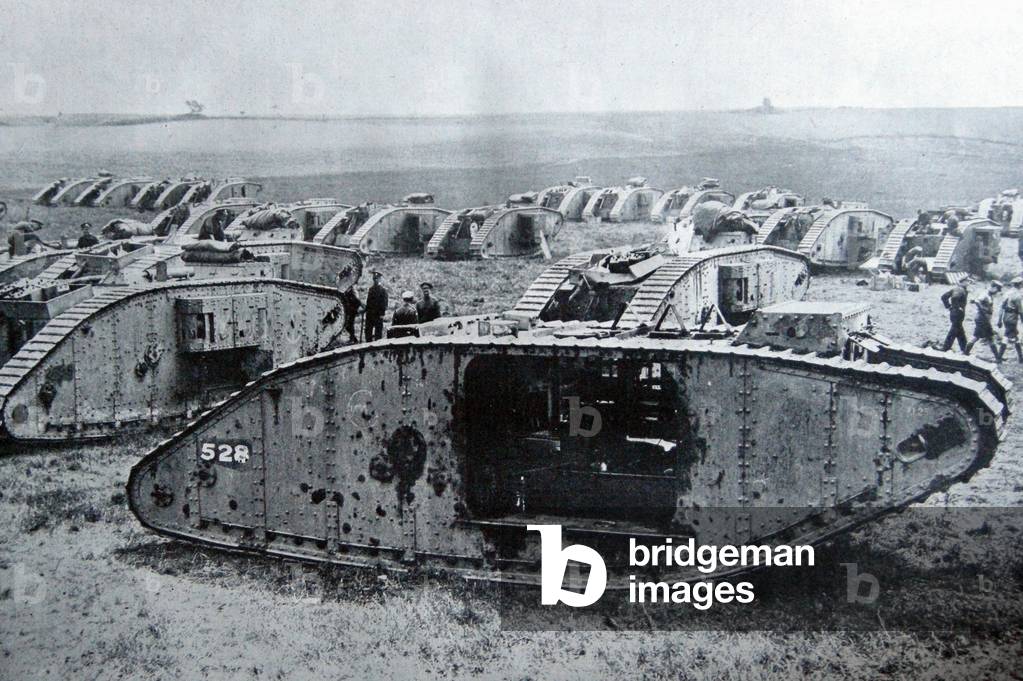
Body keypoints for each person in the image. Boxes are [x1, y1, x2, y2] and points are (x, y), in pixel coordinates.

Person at [966, 281, 1004, 362]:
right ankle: (965, 353)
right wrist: (984, 311)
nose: (997, 292)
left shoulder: (989, 295)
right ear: (993, 287)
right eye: (997, 289)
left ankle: (998, 358)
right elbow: (976, 301)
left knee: (989, 338)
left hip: (985, 320)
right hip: (982, 319)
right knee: (977, 337)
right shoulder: (985, 294)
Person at [940, 280, 969, 352]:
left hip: (956, 313)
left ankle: (964, 348)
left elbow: (944, 297)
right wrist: (955, 307)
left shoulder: (957, 289)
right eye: (966, 281)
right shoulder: (959, 289)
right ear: (961, 282)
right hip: (957, 314)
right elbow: (954, 298)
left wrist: (949, 307)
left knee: (959, 331)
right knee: (953, 331)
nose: (968, 283)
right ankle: (945, 348)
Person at [999, 276, 1023, 361]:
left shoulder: (1007, 293)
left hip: (1006, 316)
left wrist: (999, 319)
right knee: (1007, 337)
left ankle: (1020, 357)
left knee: (1014, 336)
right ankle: (999, 357)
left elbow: (1002, 307)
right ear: (1020, 285)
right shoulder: (1017, 296)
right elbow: (1020, 310)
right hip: (1013, 317)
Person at [364, 270, 389, 342]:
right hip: (370, 314)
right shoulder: (370, 289)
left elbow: (385, 303)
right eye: (374, 279)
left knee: (378, 332)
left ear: (380, 279)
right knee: (368, 331)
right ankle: (367, 345)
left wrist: (382, 314)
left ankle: (377, 345)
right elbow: (368, 301)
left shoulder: (383, 290)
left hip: (378, 314)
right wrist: (366, 310)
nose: (375, 280)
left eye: (377, 278)